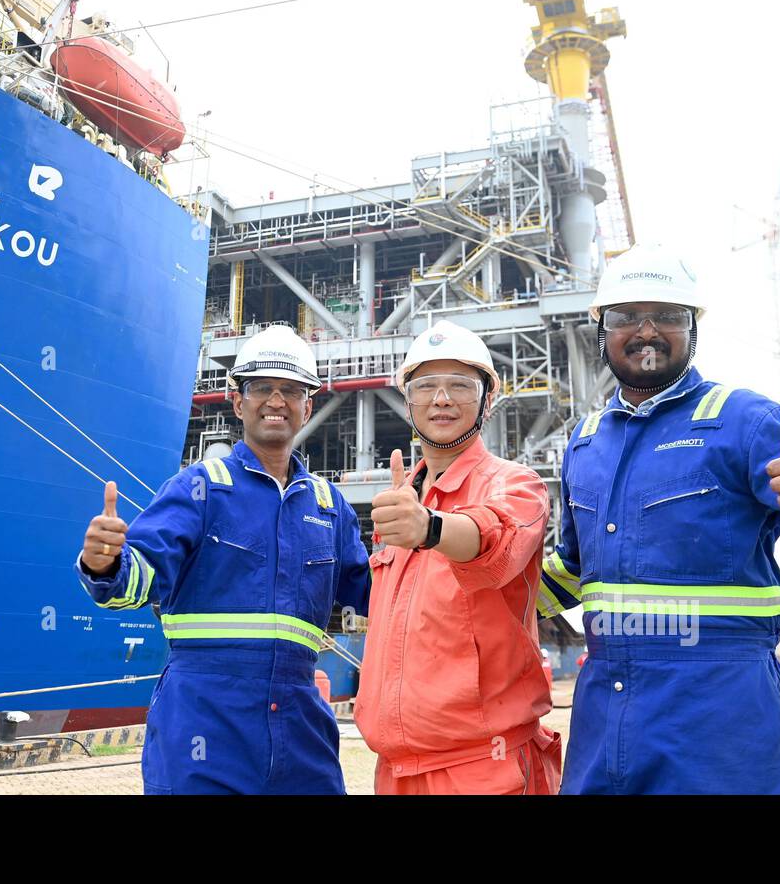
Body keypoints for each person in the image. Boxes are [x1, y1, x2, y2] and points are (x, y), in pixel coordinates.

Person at [537, 248, 780, 795]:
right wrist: (472, 591)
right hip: (604, 717)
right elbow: (574, 569)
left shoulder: (745, 423)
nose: (646, 331)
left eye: (667, 316)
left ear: (693, 329)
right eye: (626, 317)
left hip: (721, 725)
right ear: (601, 330)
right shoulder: (585, 443)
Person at [74, 325, 370, 794]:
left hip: (299, 728)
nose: (276, 400)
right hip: (203, 720)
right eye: (261, 388)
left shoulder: (329, 506)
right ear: (238, 403)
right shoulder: (199, 489)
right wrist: (106, 564)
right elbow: (140, 576)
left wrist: (421, 541)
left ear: (307, 406)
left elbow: (377, 601)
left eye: (290, 390)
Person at [355, 321, 561, 794]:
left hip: (484, 769)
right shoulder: (400, 497)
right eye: (425, 386)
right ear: (408, 402)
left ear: (487, 400)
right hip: (397, 770)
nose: (441, 399)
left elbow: (492, 536)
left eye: (460, 387)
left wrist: (430, 529)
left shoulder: (514, 484)